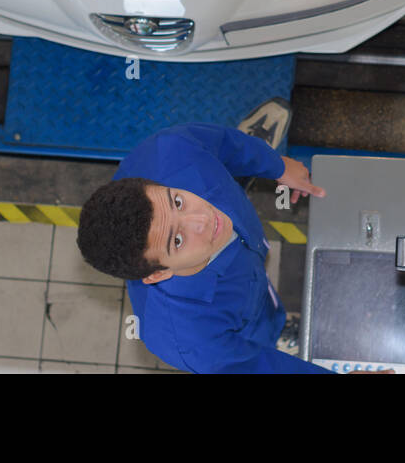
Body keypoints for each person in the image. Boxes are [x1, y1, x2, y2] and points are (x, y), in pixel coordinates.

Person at [76, 120, 335, 373]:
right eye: (177, 240)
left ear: (157, 185)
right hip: (243, 311)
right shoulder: (190, 341)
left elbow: (224, 143)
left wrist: (276, 165)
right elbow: (254, 368)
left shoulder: (172, 149)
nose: (203, 219)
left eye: (178, 202)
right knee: (257, 326)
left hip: (248, 253)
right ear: (158, 274)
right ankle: (275, 332)